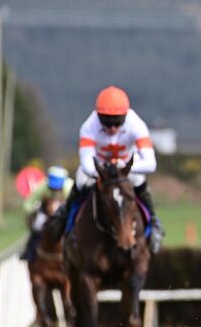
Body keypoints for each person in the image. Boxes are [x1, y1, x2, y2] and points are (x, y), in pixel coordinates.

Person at [49, 86, 165, 253]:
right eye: (107, 122)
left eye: (117, 122)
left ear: (125, 116)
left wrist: (122, 168)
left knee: (139, 180)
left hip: (125, 168)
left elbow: (150, 163)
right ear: (98, 117)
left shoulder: (137, 125)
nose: (112, 129)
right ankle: (64, 216)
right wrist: (105, 173)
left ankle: (154, 222)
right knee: (81, 180)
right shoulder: (88, 127)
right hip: (100, 169)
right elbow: (87, 165)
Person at [20, 166, 73, 261]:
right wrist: (33, 209)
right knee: (37, 225)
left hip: (65, 213)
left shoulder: (69, 187)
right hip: (46, 212)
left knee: (71, 227)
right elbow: (28, 203)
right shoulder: (43, 185)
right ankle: (29, 251)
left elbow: (73, 204)